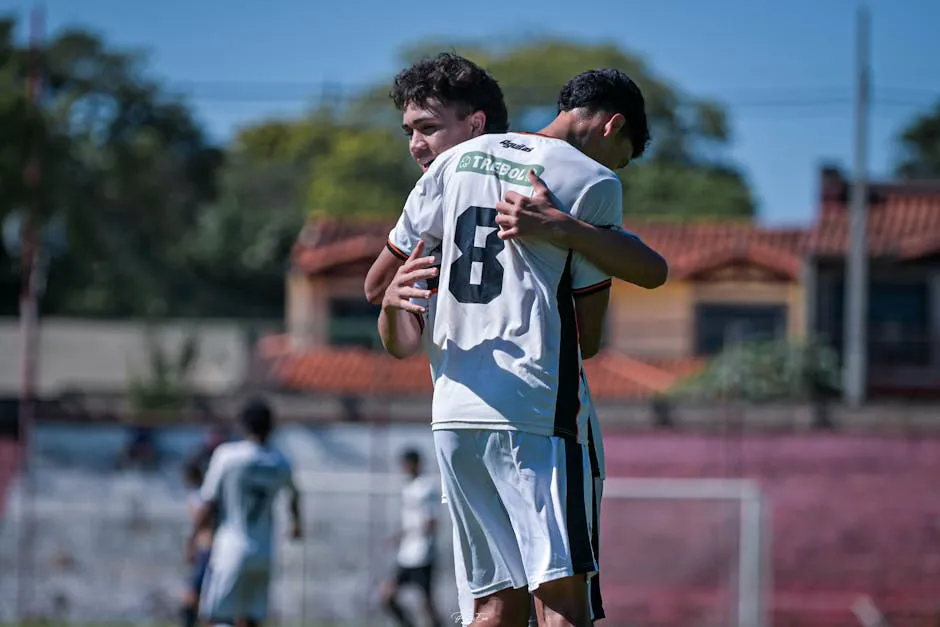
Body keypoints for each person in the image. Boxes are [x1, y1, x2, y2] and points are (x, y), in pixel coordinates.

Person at [365, 54, 653, 626]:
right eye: (625, 155)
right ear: (613, 127)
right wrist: (574, 235)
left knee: (492, 607)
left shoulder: (451, 167)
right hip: (537, 411)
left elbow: (380, 287)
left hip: (453, 413)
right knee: (561, 604)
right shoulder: (591, 181)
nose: (417, 143)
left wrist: (396, 303)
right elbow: (591, 334)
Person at [187, 398, 302, 627]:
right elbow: (295, 496)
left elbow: (207, 503)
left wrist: (192, 540)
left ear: (243, 425)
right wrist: (297, 524)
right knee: (251, 620)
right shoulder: (280, 462)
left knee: (217, 617)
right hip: (264, 552)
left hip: (231, 550)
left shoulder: (228, 457)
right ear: (271, 427)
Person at [380, 448, 444, 627]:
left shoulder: (427, 487)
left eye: (406, 464)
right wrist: (399, 535)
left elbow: (432, 521)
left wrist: (417, 534)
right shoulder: (408, 486)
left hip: (423, 554)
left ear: (415, 463)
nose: (403, 468)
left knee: (427, 605)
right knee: (387, 596)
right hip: (406, 554)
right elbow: (411, 520)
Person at [181, 461, 213, 627]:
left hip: (207, 549)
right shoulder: (202, 494)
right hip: (205, 548)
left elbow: (199, 521)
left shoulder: (200, 496)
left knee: (200, 590)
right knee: (199, 588)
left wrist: (191, 542)